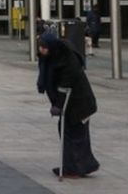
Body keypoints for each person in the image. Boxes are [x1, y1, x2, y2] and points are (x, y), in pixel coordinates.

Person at [37, 32, 100, 178]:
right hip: (71, 103)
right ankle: (81, 165)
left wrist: (58, 106)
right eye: (40, 47)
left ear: (51, 46)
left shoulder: (67, 59)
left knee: (73, 133)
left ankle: (74, 167)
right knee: (68, 131)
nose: (41, 50)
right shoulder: (51, 56)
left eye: (44, 47)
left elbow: (65, 86)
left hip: (79, 102)